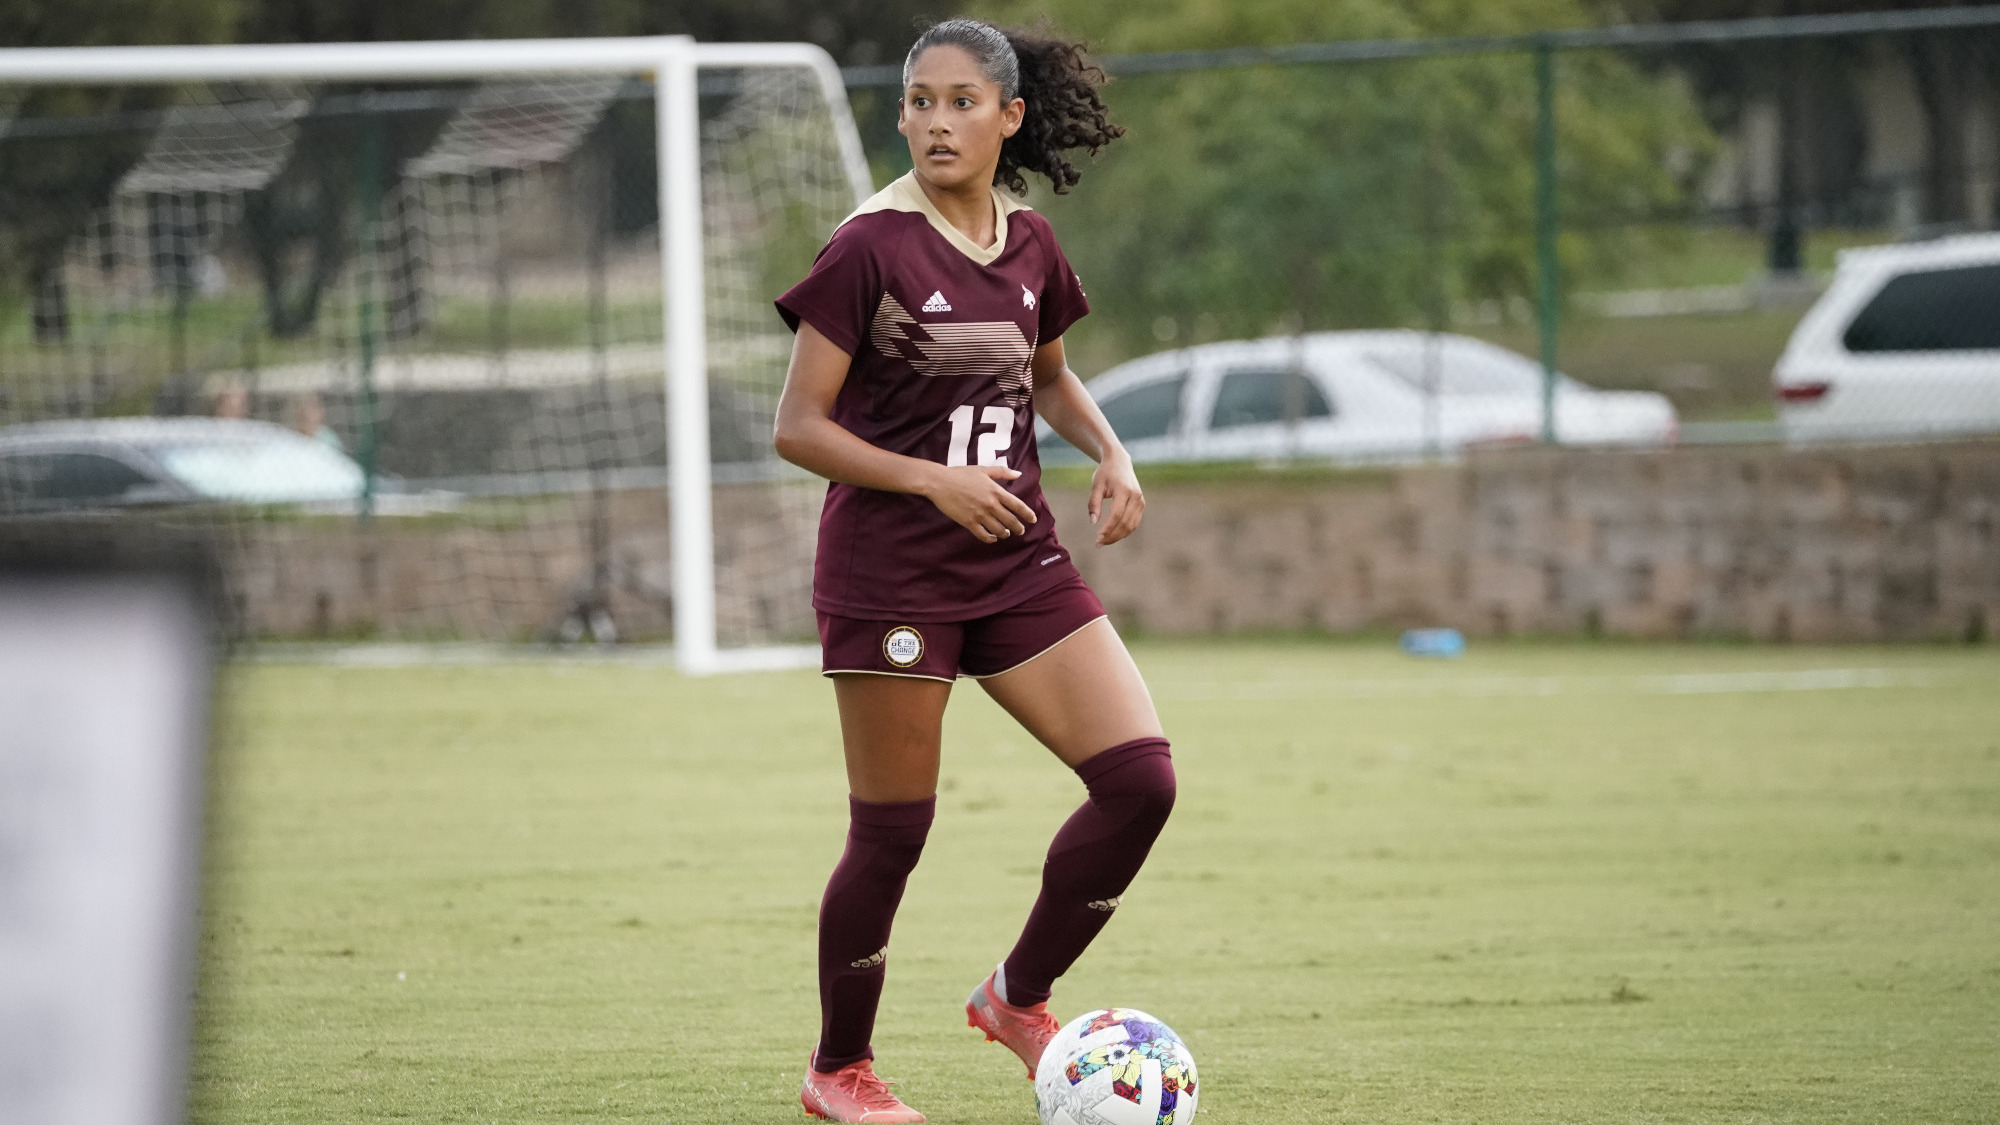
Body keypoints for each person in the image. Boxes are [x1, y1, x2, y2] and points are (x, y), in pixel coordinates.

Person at [772, 19, 1169, 1124]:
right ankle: (837, 1071)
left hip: (1018, 564)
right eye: (918, 102)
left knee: (1140, 780)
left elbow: (1047, 376)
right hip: (890, 576)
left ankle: (1014, 997)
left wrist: (1113, 450)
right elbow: (797, 429)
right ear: (899, 114)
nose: (936, 122)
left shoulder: (1030, 242)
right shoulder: (868, 247)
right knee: (893, 832)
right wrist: (927, 481)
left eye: (960, 103)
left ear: (1009, 117)